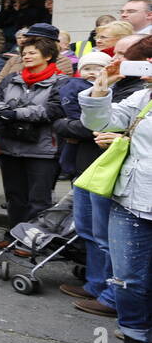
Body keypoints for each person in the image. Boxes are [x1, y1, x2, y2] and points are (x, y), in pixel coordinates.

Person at [78, 53, 152, 343]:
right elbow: (100, 122)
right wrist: (100, 89)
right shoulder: (144, 96)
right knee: (128, 281)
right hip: (132, 200)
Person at [54, 52, 119, 315]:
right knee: (89, 231)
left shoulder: (126, 92)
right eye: (88, 68)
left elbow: (91, 128)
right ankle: (94, 284)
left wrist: (72, 127)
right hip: (84, 167)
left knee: (105, 236)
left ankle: (110, 294)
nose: (93, 73)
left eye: (99, 68)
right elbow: (61, 122)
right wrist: (71, 126)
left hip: (105, 170)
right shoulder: (79, 90)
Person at [0, 36, 64, 242]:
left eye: (32, 53)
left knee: (38, 200)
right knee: (15, 197)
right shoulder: (11, 78)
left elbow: (52, 110)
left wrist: (16, 114)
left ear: (48, 56)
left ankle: (32, 240)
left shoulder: (61, 81)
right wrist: (3, 111)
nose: (26, 56)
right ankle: (13, 235)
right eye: (24, 53)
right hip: (10, 147)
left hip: (42, 150)